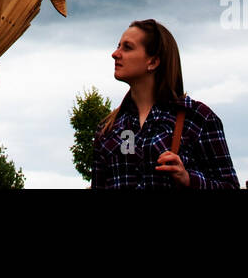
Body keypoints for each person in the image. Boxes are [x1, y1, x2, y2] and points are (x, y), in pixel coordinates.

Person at [92, 18, 239, 188]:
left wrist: (188, 179)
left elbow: (230, 185)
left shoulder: (197, 118)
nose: (115, 54)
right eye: (118, 46)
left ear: (153, 62)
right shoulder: (108, 129)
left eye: (127, 47)